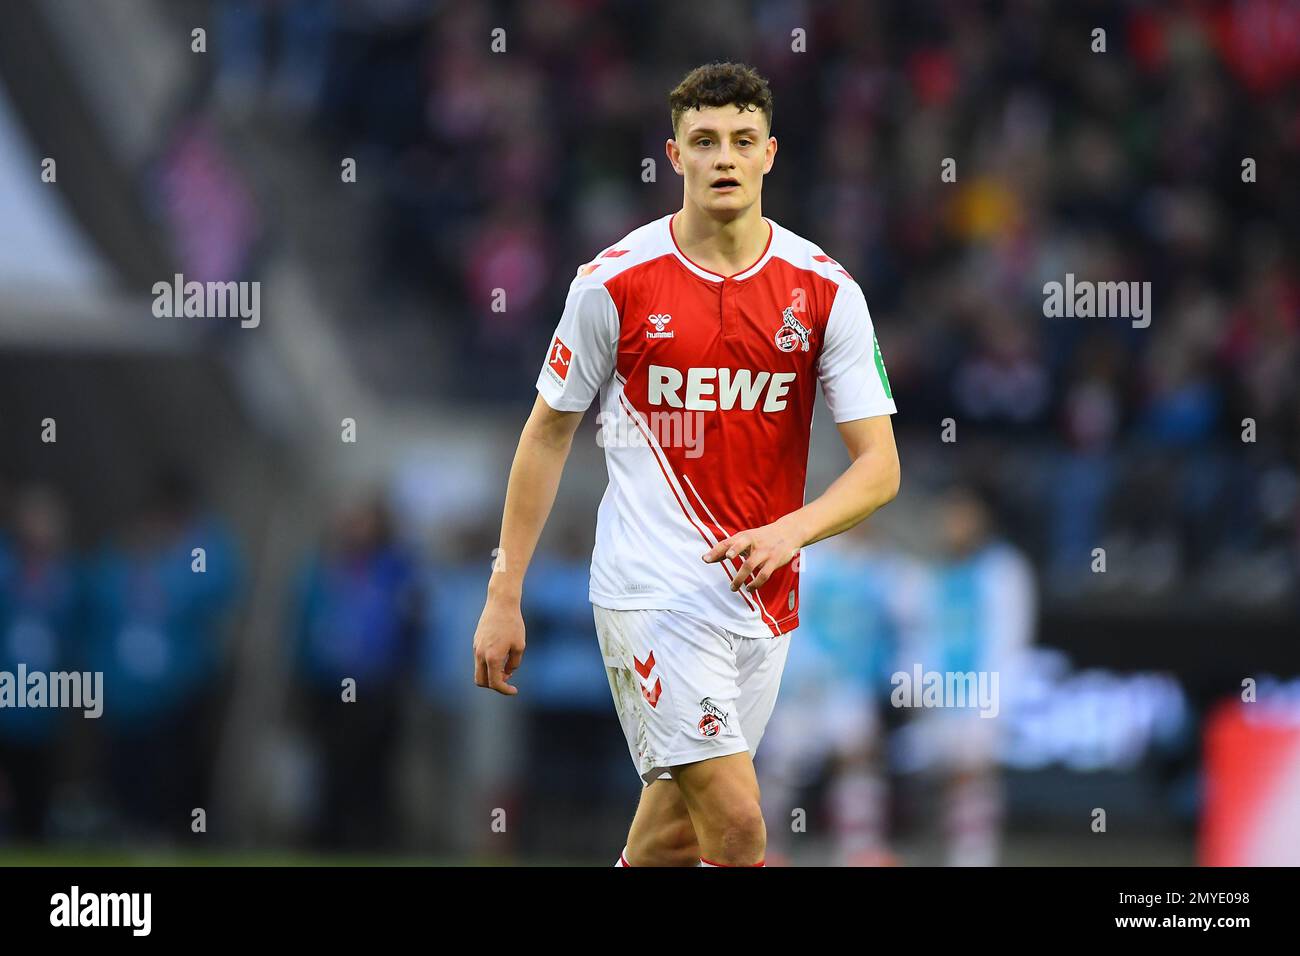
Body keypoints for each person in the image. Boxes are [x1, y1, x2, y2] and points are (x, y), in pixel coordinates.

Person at [471, 61, 900, 867]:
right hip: (651, 590)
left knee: (671, 836)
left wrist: (789, 533)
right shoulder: (615, 282)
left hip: (760, 600)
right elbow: (546, 434)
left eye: (742, 140)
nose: (724, 158)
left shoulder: (826, 292)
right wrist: (505, 593)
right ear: (675, 157)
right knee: (738, 827)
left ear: (771, 153)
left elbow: (880, 467)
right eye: (705, 141)